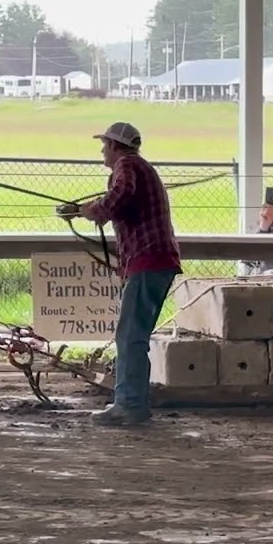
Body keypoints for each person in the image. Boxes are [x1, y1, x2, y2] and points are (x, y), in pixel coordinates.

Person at [71, 121, 182, 427]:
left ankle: (129, 404)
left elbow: (122, 194)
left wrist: (89, 211)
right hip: (155, 259)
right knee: (134, 334)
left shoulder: (127, 165)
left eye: (105, 144)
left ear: (116, 146)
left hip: (147, 259)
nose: (102, 150)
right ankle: (132, 401)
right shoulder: (139, 165)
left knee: (130, 334)